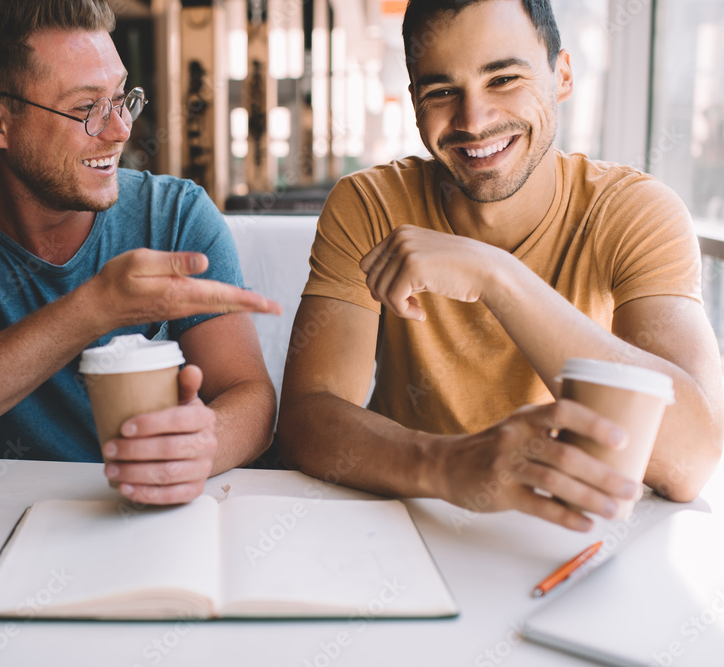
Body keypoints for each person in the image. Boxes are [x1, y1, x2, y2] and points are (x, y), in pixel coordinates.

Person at [277, 0, 723, 532]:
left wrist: (497, 277)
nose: (473, 120)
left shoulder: (634, 211)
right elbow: (307, 418)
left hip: (577, 528)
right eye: (441, 91)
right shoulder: (370, 203)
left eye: (504, 78)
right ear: (415, 103)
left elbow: (690, 460)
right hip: (410, 517)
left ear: (561, 75)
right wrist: (446, 466)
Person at [0, 0, 281, 505]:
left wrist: (200, 446)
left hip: (164, 518)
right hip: (14, 520)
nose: (121, 128)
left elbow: (253, 400)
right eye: (87, 109)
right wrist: (93, 309)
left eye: (121, 98)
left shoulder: (175, 214)